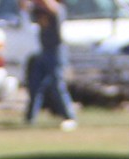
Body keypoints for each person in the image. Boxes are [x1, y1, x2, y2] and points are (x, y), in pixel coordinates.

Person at [24, 0, 77, 131]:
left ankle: (69, 116)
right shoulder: (40, 10)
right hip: (42, 51)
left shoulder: (58, 8)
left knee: (56, 84)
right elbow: (25, 7)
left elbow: (51, 7)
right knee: (35, 85)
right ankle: (30, 118)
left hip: (55, 51)